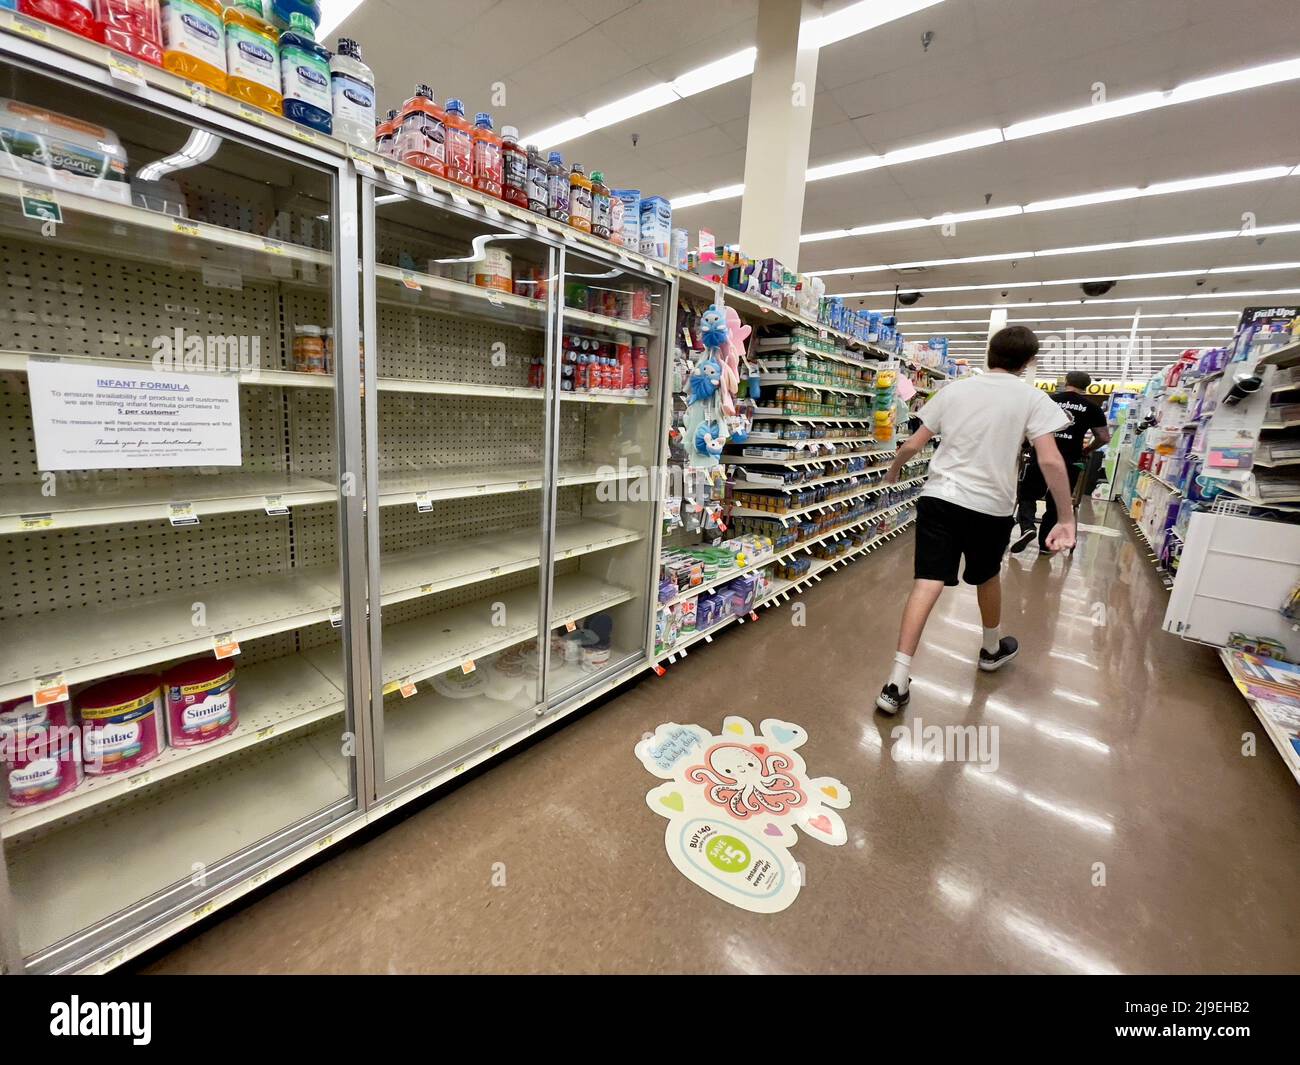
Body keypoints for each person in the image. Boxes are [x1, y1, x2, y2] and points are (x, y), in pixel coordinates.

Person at [875, 326, 1077, 715]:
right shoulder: (1033, 398)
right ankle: (990, 648)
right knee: (986, 576)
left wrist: (894, 471)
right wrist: (1066, 517)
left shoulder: (954, 390)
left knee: (927, 582)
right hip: (990, 507)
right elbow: (1050, 459)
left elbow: (914, 442)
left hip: (940, 498)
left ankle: (896, 680)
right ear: (1029, 362)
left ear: (989, 353)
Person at [1010, 370, 1112, 554]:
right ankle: (1045, 545)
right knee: (1057, 501)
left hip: (1040, 456)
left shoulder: (1048, 400)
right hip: (1071, 461)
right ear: (1086, 386)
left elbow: (1027, 428)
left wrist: (1026, 444)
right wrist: (1087, 450)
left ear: (1066, 382)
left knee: (1027, 494)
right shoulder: (1092, 408)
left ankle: (1028, 527)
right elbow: (1104, 437)